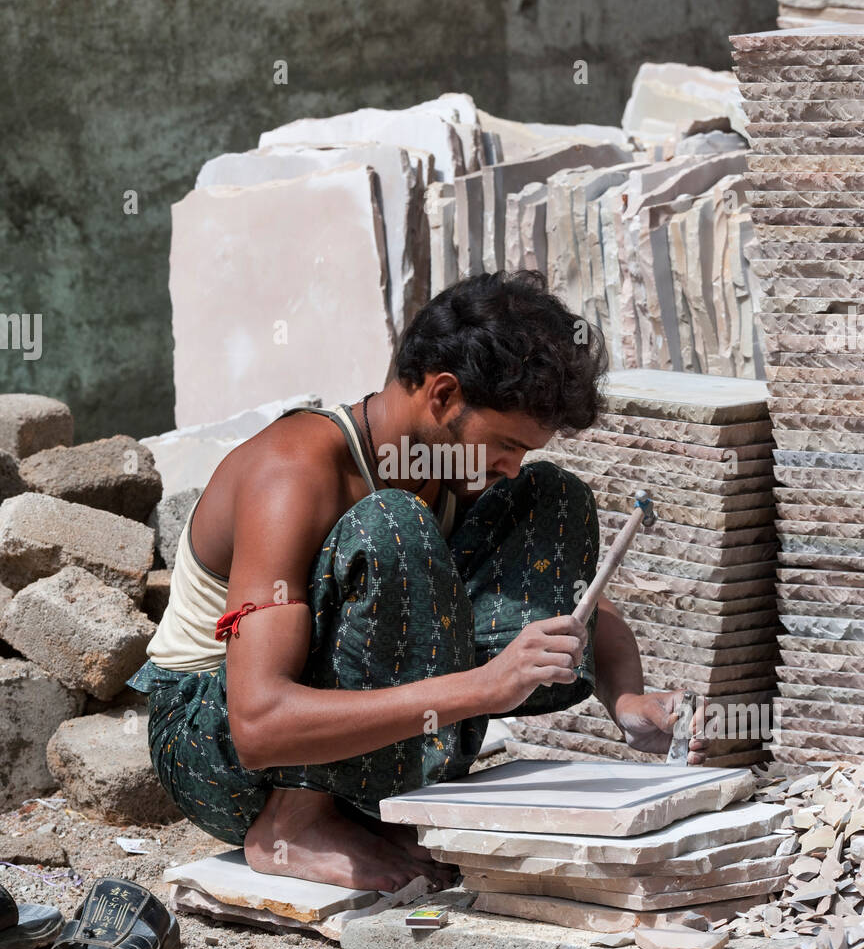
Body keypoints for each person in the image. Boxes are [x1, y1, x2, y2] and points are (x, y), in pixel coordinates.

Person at [130, 272, 706, 892]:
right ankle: (295, 823)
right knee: (392, 528)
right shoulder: (294, 471)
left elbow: (579, 606)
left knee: (551, 498)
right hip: (216, 746)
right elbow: (259, 723)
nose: (511, 465)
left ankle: (389, 799)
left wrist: (627, 702)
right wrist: (484, 687)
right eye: (507, 443)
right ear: (443, 396)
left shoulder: (451, 471)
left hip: (341, 731)